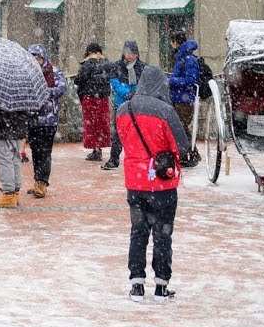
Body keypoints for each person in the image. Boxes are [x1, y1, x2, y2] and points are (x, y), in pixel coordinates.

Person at [115, 64, 185, 303]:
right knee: (162, 235)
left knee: (138, 232)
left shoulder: (123, 109)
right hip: (162, 184)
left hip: (134, 182)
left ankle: (136, 285)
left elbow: (122, 140)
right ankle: (161, 287)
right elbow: (181, 146)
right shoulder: (165, 111)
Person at [25, 44, 68, 199]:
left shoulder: (54, 71)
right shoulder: (26, 73)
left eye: (39, 57)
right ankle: (37, 180)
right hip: (32, 118)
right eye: (33, 57)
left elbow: (62, 89)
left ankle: (42, 182)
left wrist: (43, 91)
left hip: (49, 119)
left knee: (44, 152)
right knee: (35, 151)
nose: (36, 60)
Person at [0, 101, 34, 208]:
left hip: (1, 130)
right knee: (15, 160)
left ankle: (9, 195)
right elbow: (27, 112)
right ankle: (15, 192)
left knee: (4, 161)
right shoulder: (23, 91)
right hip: (18, 130)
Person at [103, 41, 145, 170]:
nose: (129, 56)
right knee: (118, 133)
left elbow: (143, 83)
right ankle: (114, 159)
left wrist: (135, 93)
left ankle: (138, 159)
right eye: (127, 53)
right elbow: (115, 84)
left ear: (137, 54)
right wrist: (127, 93)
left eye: (132, 53)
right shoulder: (116, 66)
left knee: (138, 132)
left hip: (137, 104)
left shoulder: (142, 67)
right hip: (120, 104)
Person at [76, 42, 113, 163]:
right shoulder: (107, 63)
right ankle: (99, 147)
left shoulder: (88, 64)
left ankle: (95, 149)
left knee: (91, 124)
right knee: (102, 123)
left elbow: (79, 79)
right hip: (103, 98)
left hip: (90, 97)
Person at [166, 29, 201, 146]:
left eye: (172, 42)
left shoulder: (188, 59)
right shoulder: (182, 57)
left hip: (184, 100)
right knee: (179, 128)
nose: (171, 44)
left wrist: (170, 80)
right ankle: (188, 151)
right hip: (178, 98)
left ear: (176, 42)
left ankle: (190, 151)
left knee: (181, 128)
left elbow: (190, 80)